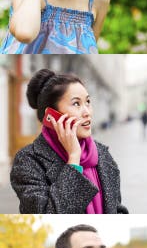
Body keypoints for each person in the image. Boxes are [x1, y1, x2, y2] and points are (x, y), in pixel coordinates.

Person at [11, 68, 127, 214]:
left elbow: (118, 210)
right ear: (52, 116)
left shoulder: (102, 155)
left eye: (88, 102)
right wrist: (73, 159)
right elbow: (47, 216)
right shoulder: (28, 160)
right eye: (76, 104)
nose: (87, 112)